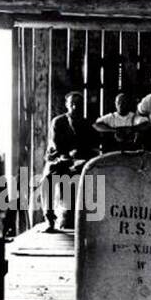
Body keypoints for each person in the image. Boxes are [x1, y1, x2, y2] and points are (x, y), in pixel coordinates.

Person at [41, 91, 99, 233]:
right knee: (48, 179)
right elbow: (56, 144)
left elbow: (91, 145)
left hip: (79, 161)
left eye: (78, 104)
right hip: (60, 160)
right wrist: (68, 155)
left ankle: (87, 221)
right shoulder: (58, 122)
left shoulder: (86, 124)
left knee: (91, 175)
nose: (75, 106)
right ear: (67, 105)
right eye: (72, 103)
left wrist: (80, 156)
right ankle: (49, 219)